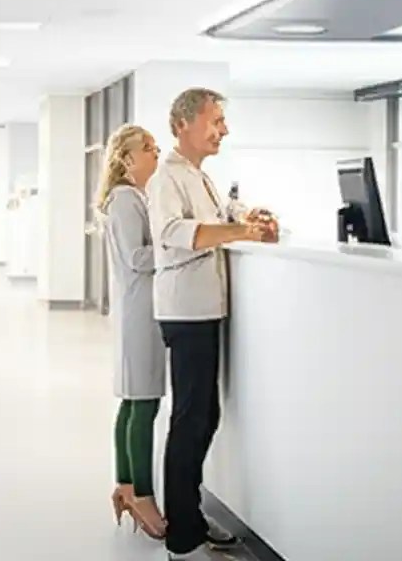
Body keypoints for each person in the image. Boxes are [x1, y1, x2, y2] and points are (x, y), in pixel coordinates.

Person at [146, 88, 277, 560]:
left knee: (205, 417)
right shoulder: (166, 179)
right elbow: (172, 234)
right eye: (215, 121)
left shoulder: (200, 177)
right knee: (189, 420)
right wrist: (239, 230)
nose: (223, 130)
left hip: (205, 310)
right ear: (183, 123)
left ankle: (192, 516)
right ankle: (183, 532)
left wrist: (244, 216)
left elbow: (217, 218)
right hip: (186, 312)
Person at [97, 124, 165, 539]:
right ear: (127, 158)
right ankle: (142, 494)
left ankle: (124, 485)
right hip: (140, 311)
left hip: (138, 308)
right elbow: (137, 256)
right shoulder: (125, 198)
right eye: (149, 149)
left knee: (132, 400)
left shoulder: (133, 197)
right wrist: (181, 243)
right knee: (144, 402)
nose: (156, 155)